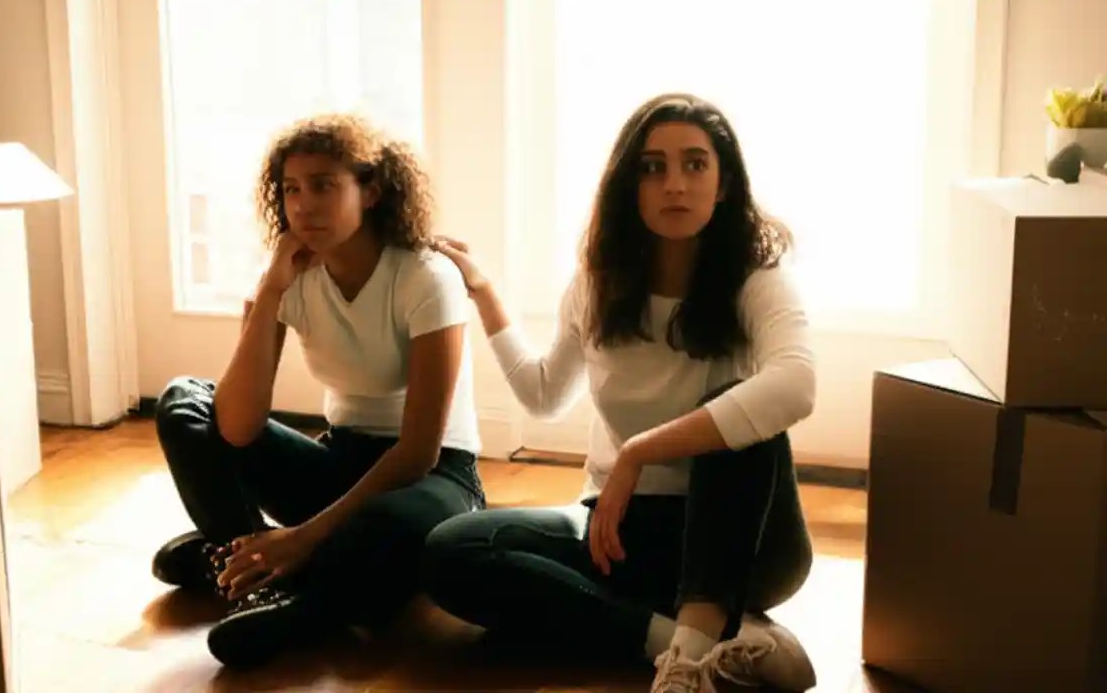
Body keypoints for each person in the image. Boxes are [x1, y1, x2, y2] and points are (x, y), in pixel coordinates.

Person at [422, 93, 817, 692]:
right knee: (452, 550)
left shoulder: (757, 278)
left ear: (725, 182)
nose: (674, 185)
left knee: (746, 408)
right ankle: (694, 643)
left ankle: (688, 659)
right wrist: (483, 293)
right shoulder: (598, 283)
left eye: (695, 164)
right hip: (627, 535)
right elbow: (544, 394)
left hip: (746, 541)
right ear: (628, 185)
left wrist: (640, 451)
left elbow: (796, 384)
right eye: (652, 167)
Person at [150, 113, 486, 668]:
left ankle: (258, 569)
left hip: (434, 476)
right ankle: (256, 565)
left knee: (397, 532)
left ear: (371, 190)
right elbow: (236, 426)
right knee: (184, 401)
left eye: (325, 185)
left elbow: (418, 451)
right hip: (340, 461)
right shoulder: (291, 276)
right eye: (291, 189)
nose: (304, 205)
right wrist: (270, 289)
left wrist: (303, 537)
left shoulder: (426, 277)